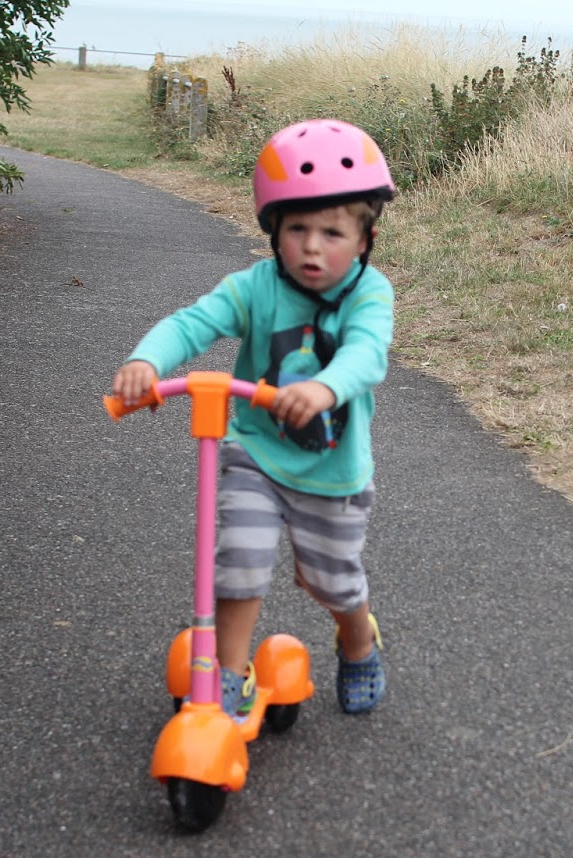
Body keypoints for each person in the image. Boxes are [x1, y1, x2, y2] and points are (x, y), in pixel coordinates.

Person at [112, 118, 395, 718]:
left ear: (365, 240)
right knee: (239, 557)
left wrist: (325, 387)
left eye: (333, 232)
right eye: (297, 229)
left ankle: (357, 638)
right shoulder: (256, 287)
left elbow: (366, 356)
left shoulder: (370, 296)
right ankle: (231, 675)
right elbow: (192, 323)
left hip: (332, 473)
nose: (313, 247)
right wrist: (147, 360)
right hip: (257, 453)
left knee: (331, 582)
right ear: (273, 232)